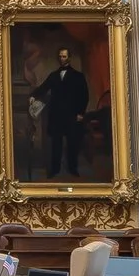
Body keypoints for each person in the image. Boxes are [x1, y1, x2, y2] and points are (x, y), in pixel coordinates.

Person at [30, 44, 90, 179]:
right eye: (60, 56)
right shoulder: (54, 75)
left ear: (69, 58)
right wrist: (34, 95)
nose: (62, 59)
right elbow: (44, 87)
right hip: (56, 116)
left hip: (72, 115)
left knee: (72, 143)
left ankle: (73, 169)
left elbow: (84, 96)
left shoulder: (78, 76)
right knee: (56, 144)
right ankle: (55, 169)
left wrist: (81, 113)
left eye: (64, 56)